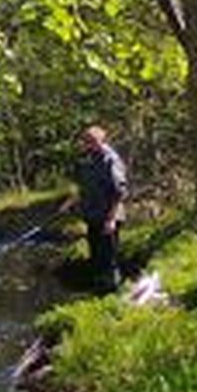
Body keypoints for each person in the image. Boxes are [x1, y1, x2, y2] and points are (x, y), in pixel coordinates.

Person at [73, 125, 127, 292]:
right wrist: (72, 201)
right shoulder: (87, 158)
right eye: (86, 141)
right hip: (92, 215)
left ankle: (113, 294)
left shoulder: (111, 160)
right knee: (96, 254)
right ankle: (98, 291)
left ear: (101, 140)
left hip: (108, 216)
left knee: (109, 257)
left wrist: (111, 219)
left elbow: (120, 192)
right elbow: (84, 185)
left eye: (91, 141)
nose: (87, 144)